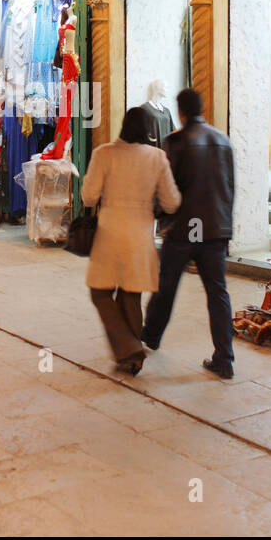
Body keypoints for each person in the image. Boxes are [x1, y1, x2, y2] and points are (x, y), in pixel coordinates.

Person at [141, 88, 237, 379]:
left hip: (184, 229)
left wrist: (158, 216)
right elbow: (229, 186)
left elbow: (167, 188)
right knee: (217, 292)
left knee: (165, 287)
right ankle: (224, 359)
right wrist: (223, 224)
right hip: (215, 229)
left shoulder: (175, 142)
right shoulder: (223, 140)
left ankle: (149, 338)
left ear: (180, 111)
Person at [80, 107, 181, 375]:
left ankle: (129, 349)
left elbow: (89, 197)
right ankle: (132, 356)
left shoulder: (104, 153)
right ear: (149, 129)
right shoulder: (157, 157)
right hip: (140, 234)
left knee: (100, 292)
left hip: (110, 233)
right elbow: (172, 203)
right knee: (131, 294)